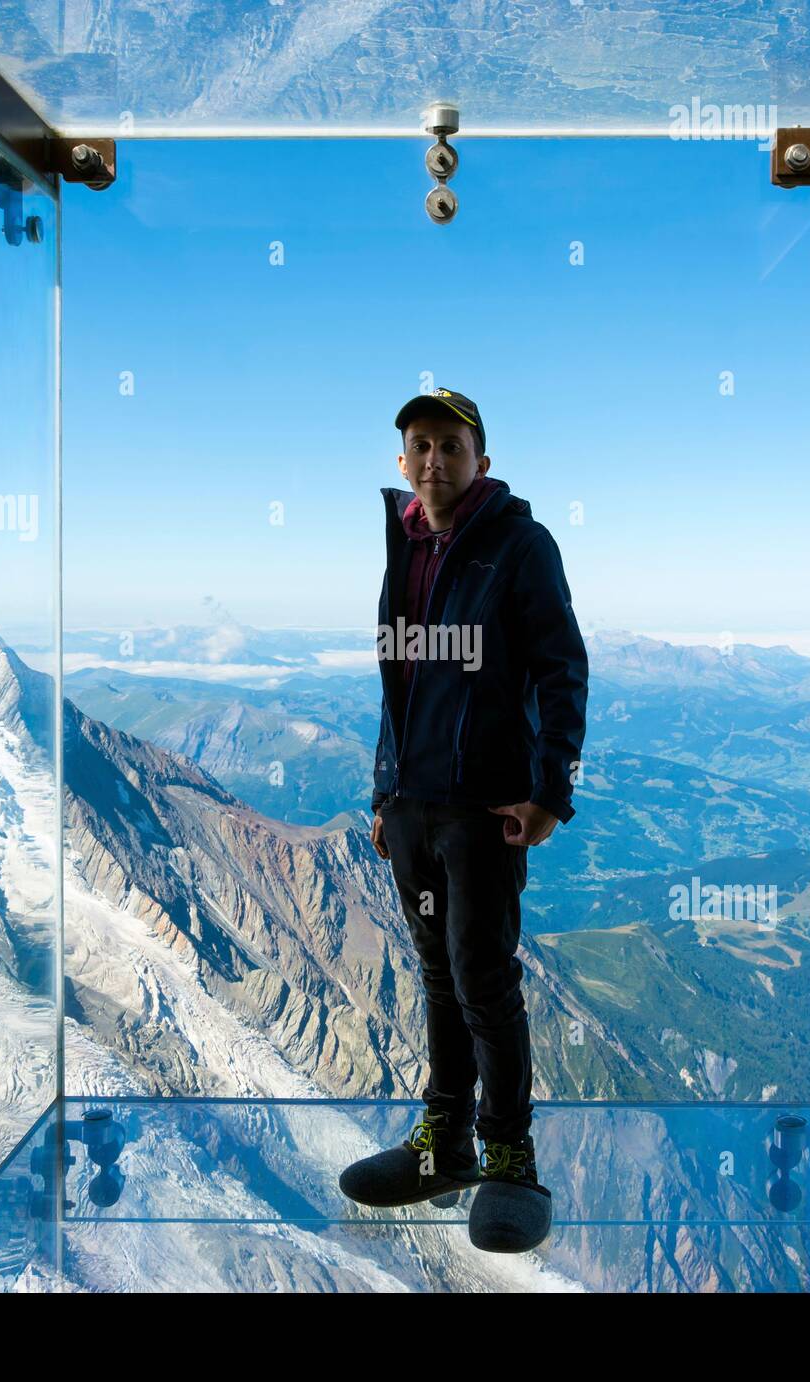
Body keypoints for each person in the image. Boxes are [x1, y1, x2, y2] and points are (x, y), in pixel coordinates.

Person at [338, 387, 589, 1254]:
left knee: (483, 979)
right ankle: (443, 1145)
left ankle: (509, 1157)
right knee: (437, 975)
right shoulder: (402, 546)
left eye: (451, 444)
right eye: (420, 445)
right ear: (402, 460)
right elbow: (399, 683)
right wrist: (385, 791)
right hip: (413, 809)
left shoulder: (519, 545)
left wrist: (550, 790)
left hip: (486, 808)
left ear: (480, 458)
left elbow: (562, 666)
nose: (434, 459)